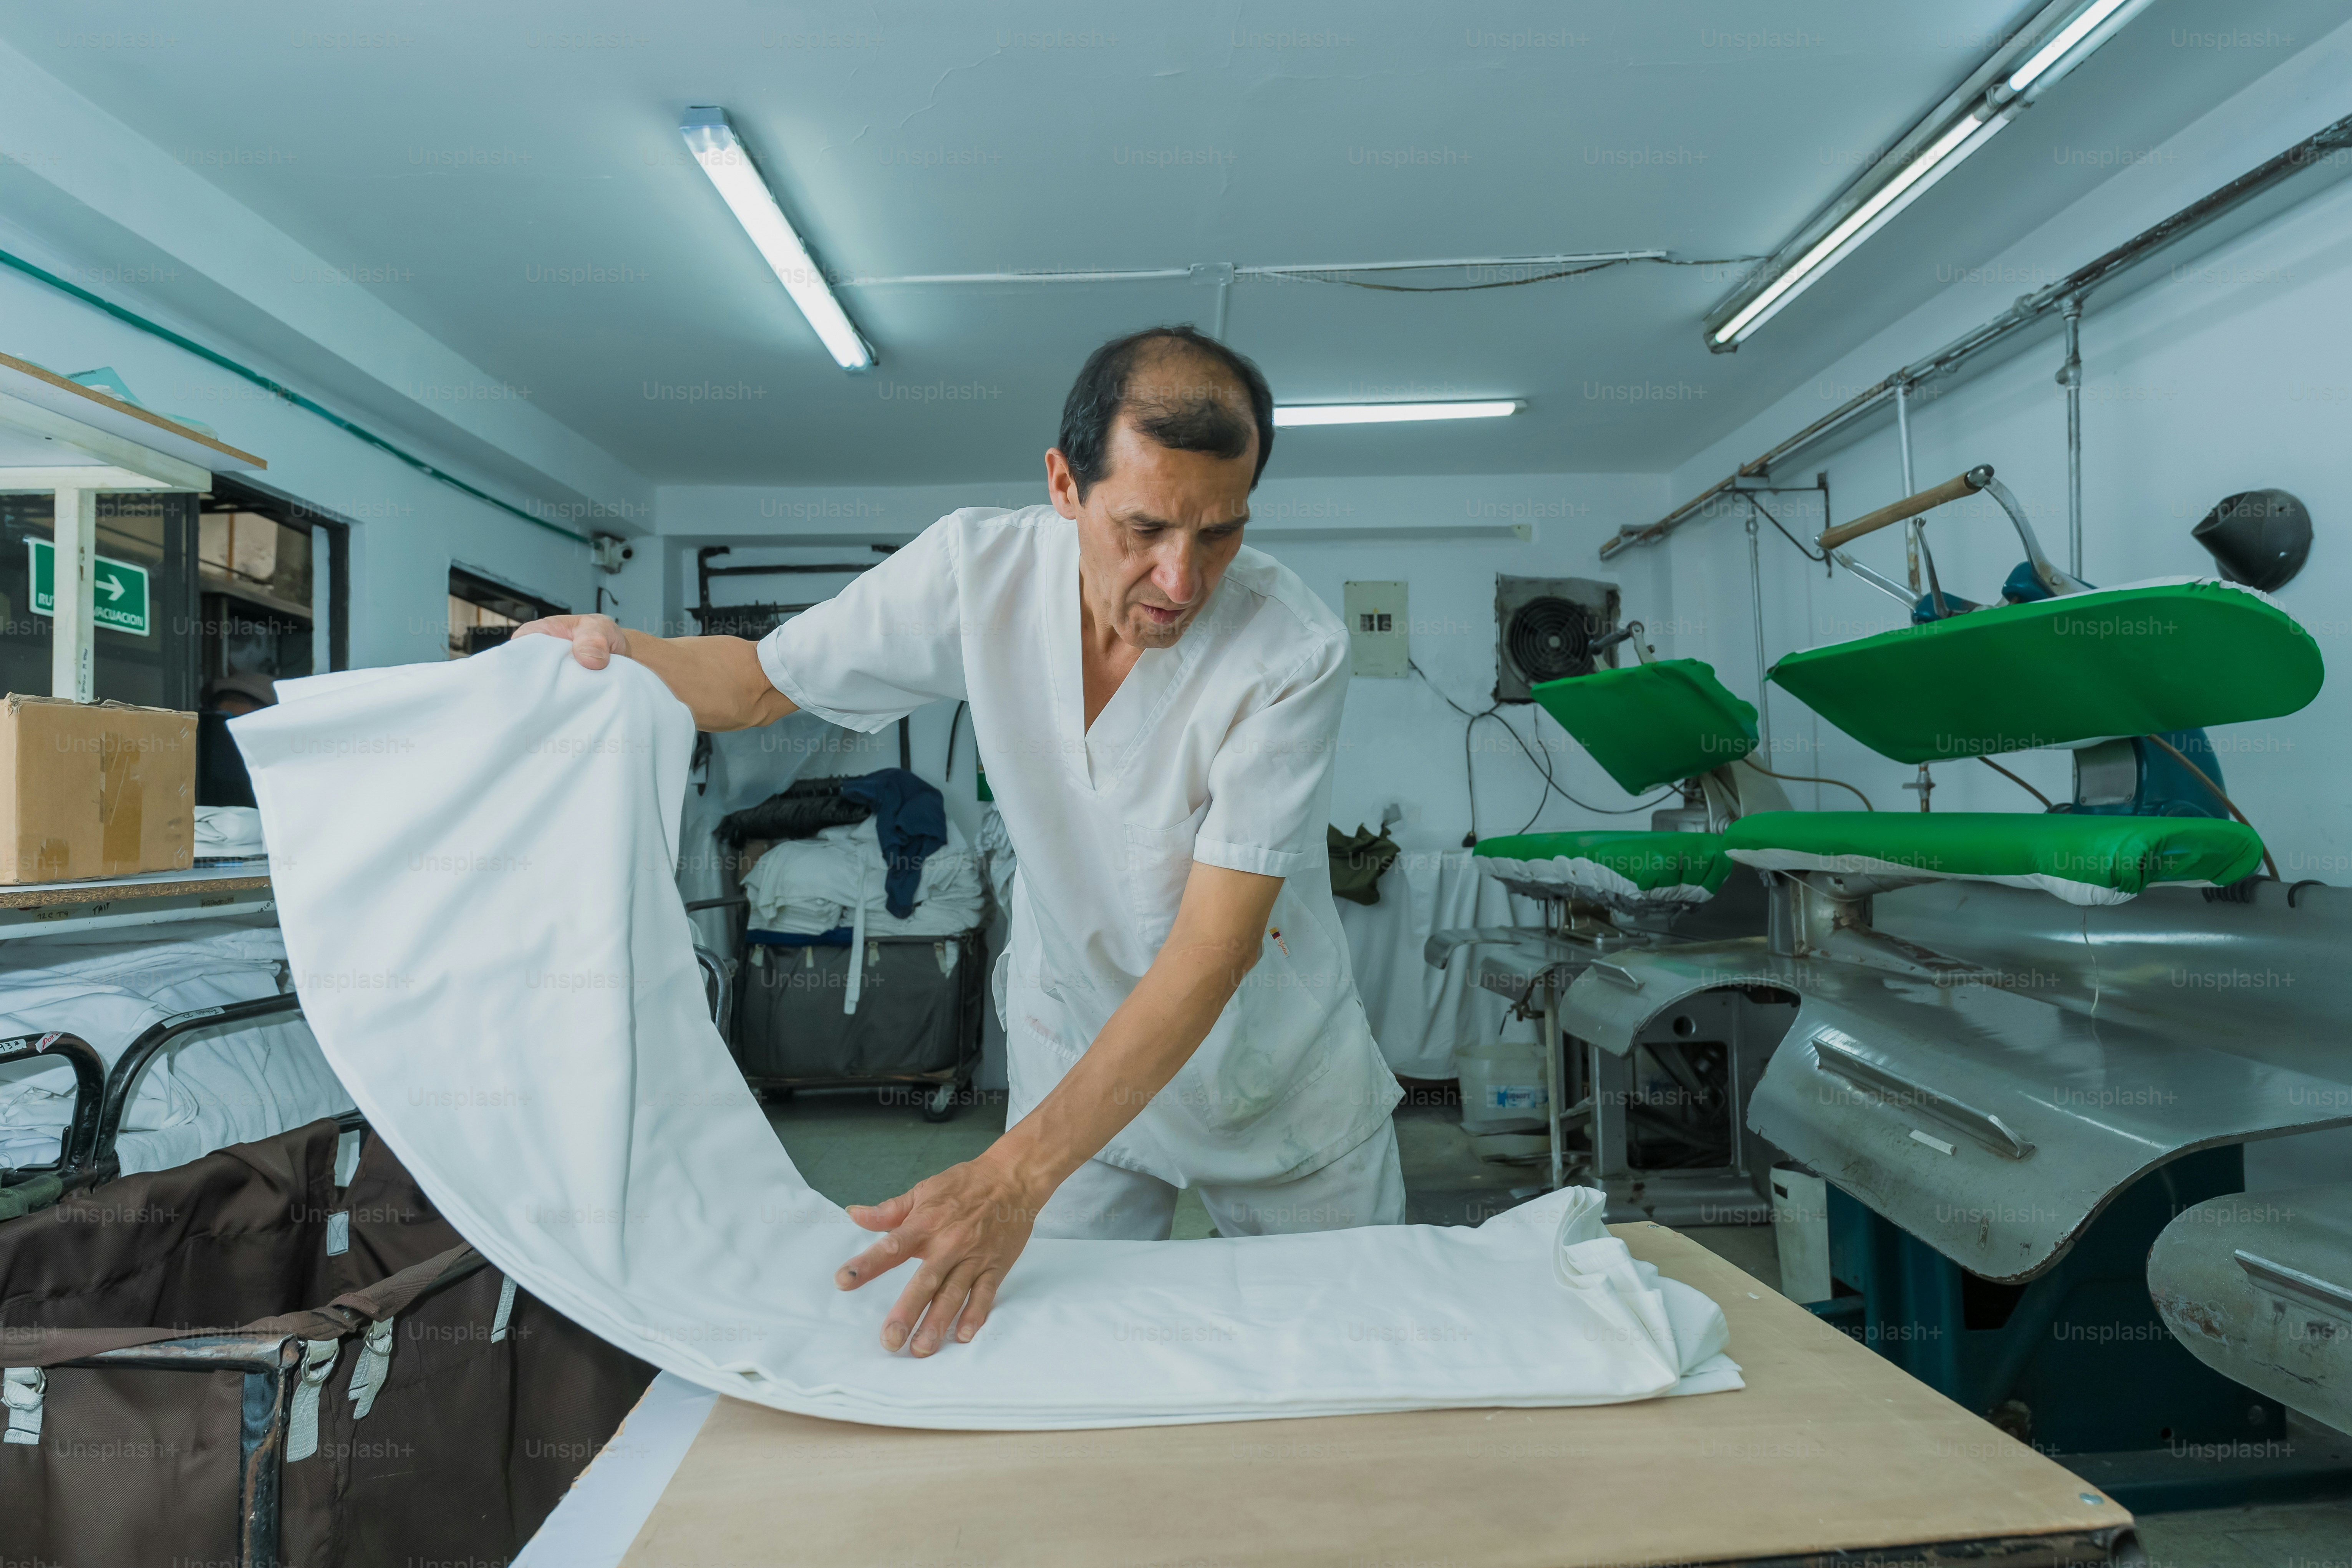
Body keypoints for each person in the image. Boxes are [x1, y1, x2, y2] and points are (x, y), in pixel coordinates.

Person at [517, 325, 1403, 1358]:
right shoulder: (974, 574)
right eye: (1146, 527)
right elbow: (760, 680)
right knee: (1048, 1359)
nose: (1181, 579)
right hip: (1076, 1047)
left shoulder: (1289, 650)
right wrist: (621, 656)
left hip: (1267, 1077)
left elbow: (1212, 948)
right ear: (1064, 485)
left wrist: (1012, 1175)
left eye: (1220, 534)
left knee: (1357, 1353)